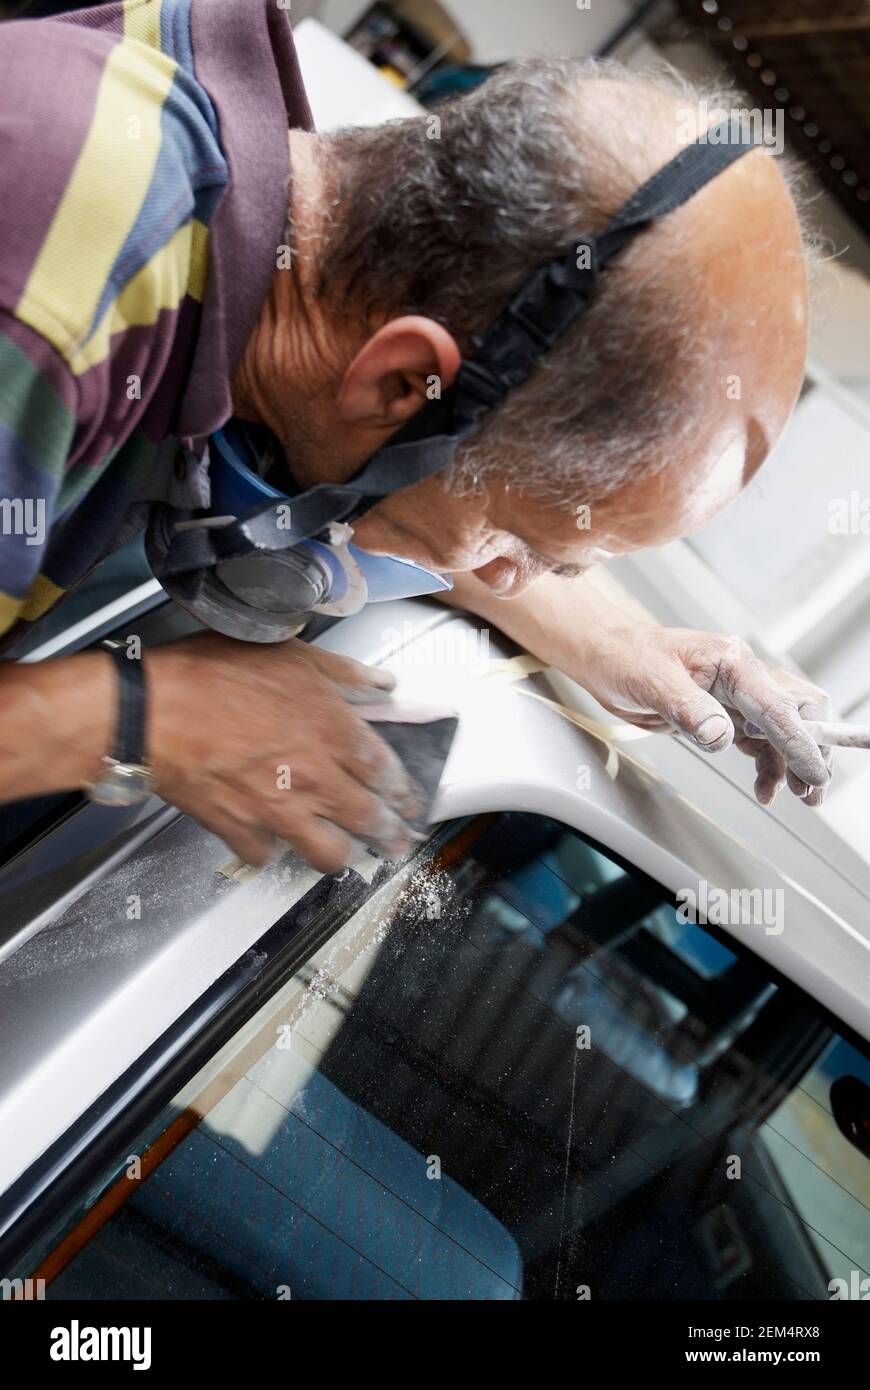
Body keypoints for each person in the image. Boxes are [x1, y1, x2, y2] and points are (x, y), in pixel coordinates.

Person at [0, 0, 832, 872]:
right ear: (400, 381)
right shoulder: (50, 309)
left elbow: (418, 467)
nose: (507, 576)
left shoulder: (241, 217)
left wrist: (618, 639)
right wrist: (141, 716)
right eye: (519, 541)